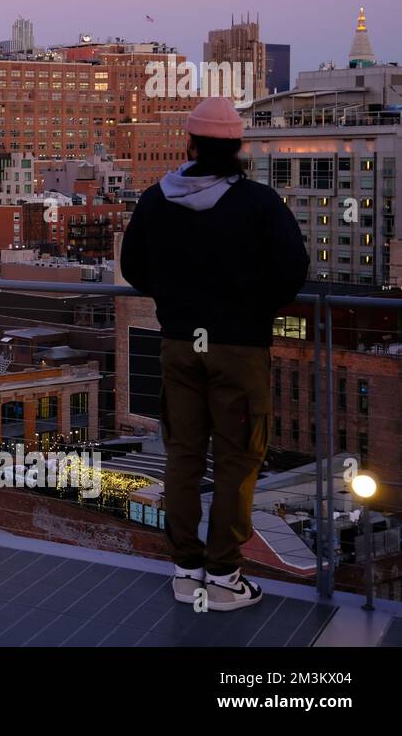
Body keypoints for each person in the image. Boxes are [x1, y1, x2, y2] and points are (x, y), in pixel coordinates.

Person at [120, 95, 308, 611]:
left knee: (182, 456)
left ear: (190, 143)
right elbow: (294, 271)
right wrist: (251, 306)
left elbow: (133, 266)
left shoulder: (158, 199)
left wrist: (176, 300)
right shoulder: (260, 203)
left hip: (181, 344)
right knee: (237, 459)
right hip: (238, 348)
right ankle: (225, 576)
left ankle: (186, 572)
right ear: (239, 148)